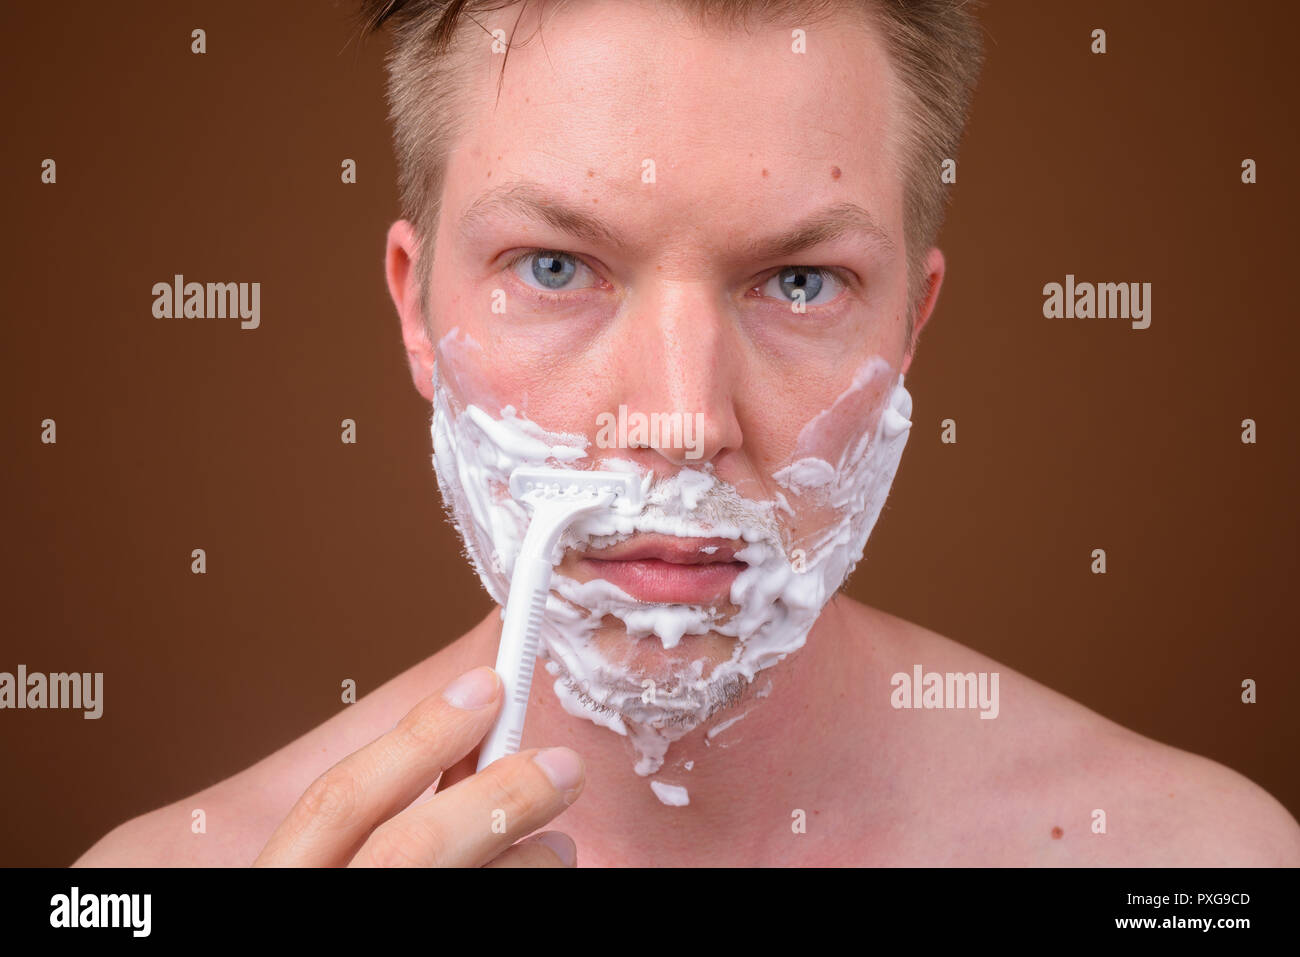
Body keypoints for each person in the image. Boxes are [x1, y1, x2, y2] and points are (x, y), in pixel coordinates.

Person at [75, 0, 1300, 867]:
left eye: (800, 281)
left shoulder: (1198, 869)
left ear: (910, 329)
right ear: (416, 307)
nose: (681, 422)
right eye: (555, 266)